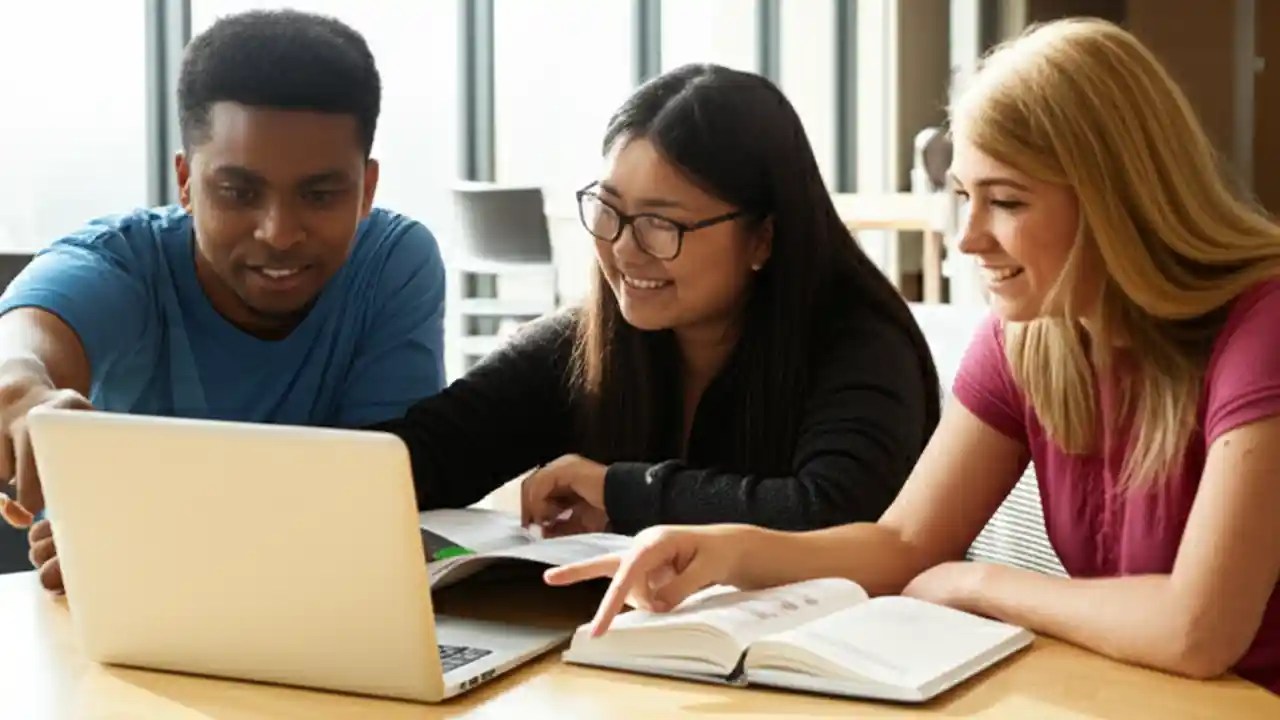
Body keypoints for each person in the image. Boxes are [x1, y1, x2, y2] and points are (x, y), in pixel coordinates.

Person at [546, 19, 1280, 694]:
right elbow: (904, 543)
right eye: (963, 195)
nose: (968, 239)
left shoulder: (1262, 328)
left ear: (1119, 197)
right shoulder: (1030, 336)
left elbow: (1197, 629)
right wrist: (726, 550)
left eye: (1008, 201)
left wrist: (977, 584)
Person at [375, 64, 940, 538]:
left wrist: (623, 489)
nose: (624, 246)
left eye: (660, 223)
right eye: (609, 209)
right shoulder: (586, 342)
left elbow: (836, 515)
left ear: (763, 237)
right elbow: (430, 454)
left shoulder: (860, 345)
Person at [0, 9, 447, 592]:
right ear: (186, 181)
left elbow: (379, 498)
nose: (279, 232)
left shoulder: (393, 261)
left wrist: (169, 534)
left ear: (367, 189)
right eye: (238, 192)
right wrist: (21, 389)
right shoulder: (121, 262)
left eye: (319, 194)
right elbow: (24, 342)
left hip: (316, 609)